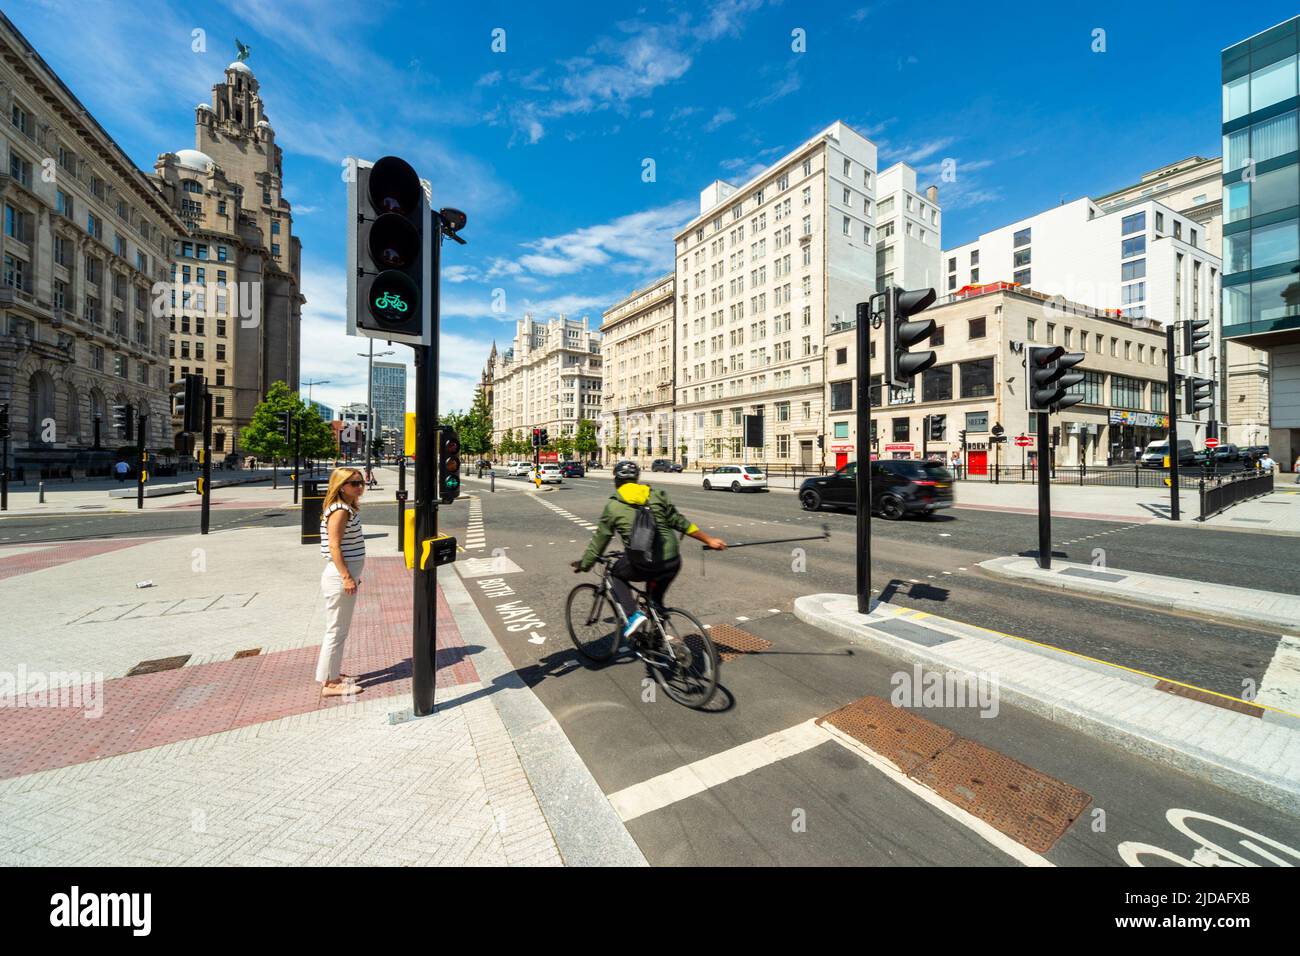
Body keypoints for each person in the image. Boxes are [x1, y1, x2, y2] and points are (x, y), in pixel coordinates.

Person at [572, 460, 725, 639]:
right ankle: (658, 641)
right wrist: (710, 540)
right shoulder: (656, 495)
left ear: (616, 481)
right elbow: (680, 522)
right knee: (655, 601)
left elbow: (600, 539)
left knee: (616, 574)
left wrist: (585, 564)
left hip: (646, 563)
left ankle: (632, 615)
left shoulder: (613, 506)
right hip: (672, 561)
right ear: (637, 479)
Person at [317, 467, 368, 697]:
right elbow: (334, 546)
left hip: (345, 575)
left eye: (361, 482)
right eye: (354, 483)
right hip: (339, 578)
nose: (360, 487)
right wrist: (347, 577)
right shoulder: (339, 510)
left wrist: (353, 575)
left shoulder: (345, 507)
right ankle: (330, 683)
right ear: (341, 486)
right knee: (337, 630)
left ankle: (332, 672)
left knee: (339, 629)